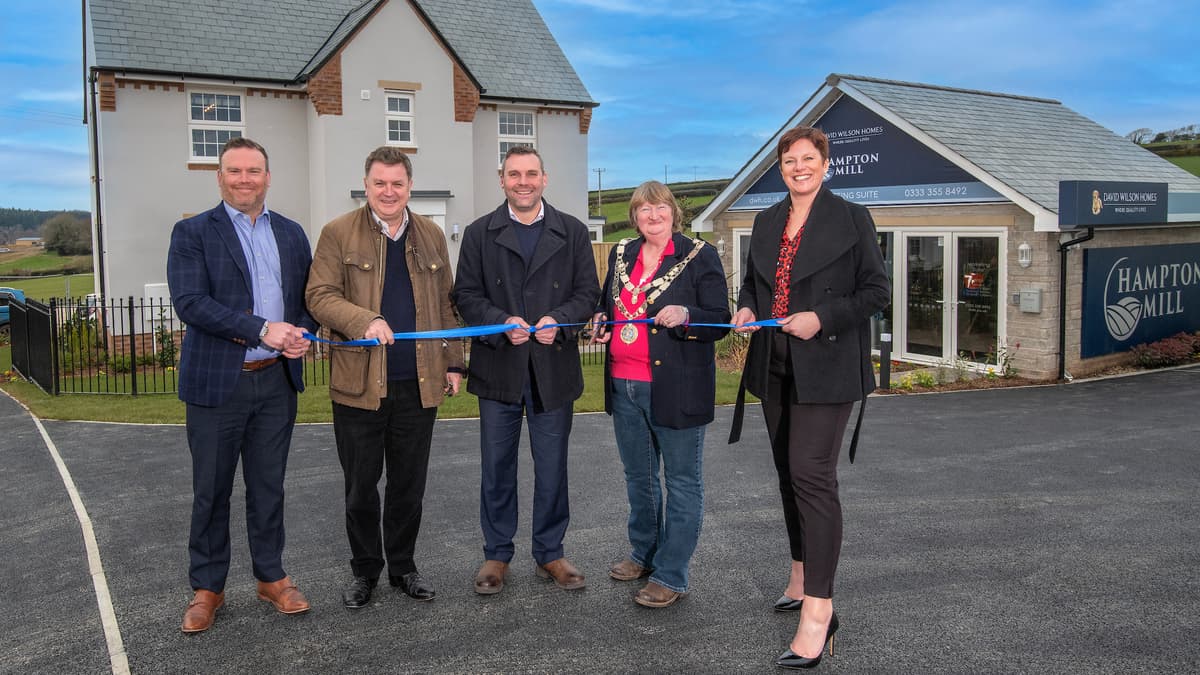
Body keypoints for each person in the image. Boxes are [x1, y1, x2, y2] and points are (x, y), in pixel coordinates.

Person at [729, 126, 889, 668]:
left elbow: (876, 291)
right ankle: (800, 573)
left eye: (808, 158)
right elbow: (754, 284)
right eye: (789, 159)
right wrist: (748, 309)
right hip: (774, 364)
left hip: (827, 365)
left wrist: (821, 317)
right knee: (786, 473)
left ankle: (819, 612)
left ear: (825, 164)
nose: (798, 166)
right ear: (780, 167)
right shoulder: (767, 219)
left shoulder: (851, 217)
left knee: (812, 477)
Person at [167, 137, 317, 633]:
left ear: (268, 177)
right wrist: (260, 329)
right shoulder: (192, 232)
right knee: (210, 490)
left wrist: (299, 334)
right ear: (220, 177)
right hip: (218, 384)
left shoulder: (292, 234)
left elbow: (305, 300)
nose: (245, 179)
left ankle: (271, 576)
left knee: (268, 486)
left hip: (276, 383)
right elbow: (190, 302)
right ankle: (208, 588)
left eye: (255, 171)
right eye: (235, 171)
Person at [305, 147, 465, 609]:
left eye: (397, 183)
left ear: (409, 186)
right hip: (358, 387)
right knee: (360, 487)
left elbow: (448, 307)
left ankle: (403, 566)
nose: (389, 191)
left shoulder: (432, 234)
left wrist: (453, 362)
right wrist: (363, 321)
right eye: (380, 183)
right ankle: (365, 571)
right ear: (367, 185)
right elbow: (319, 295)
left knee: (407, 486)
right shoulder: (337, 233)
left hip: (419, 384)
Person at [453, 146, 600, 595]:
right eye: (514, 174)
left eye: (531, 174)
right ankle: (497, 553)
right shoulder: (480, 233)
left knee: (552, 467)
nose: (523, 181)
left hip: (551, 367)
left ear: (544, 178)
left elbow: (587, 292)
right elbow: (465, 295)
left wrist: (559, 320)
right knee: (496, 467)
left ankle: (550, 552)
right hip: (500, 366)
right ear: (502, 180)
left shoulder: (572, 231)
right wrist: (501, 323)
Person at [590, 181, 729, 608]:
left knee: (682, 483)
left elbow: (720, 321)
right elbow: (608, 305)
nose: (652, 215)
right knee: (639, 477)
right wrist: (598, 318)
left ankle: (672, 573)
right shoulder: (620, 255)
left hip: (676, 388)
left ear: (674, 212)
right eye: (644, 209)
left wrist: (688, 315)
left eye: (660, 207)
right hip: (623, 383)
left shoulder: (698, 255)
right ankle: (644, 554)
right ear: (634, 216)